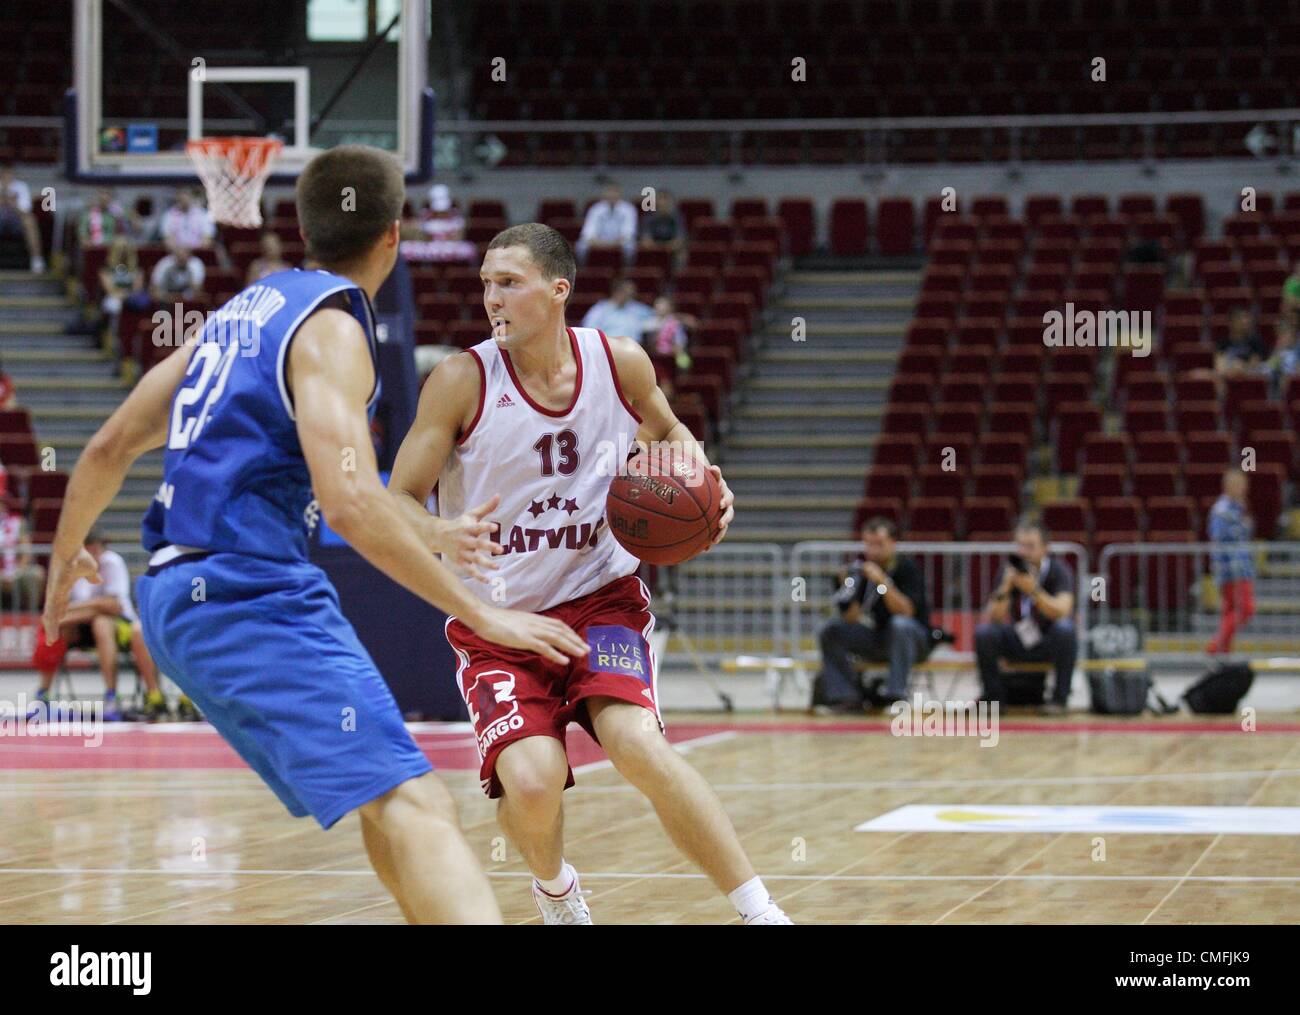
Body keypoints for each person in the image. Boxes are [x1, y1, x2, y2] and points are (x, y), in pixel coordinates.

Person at [41, 145, 591, 924]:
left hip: (175, 590)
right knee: (421, 802)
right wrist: (483, 612)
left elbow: (106, 448)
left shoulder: (245, 310)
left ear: (302, 228)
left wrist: (65, 561)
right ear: (393, 236)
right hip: (244, 587)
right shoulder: (334, 331)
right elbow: (349, 504)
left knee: (383, 794)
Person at [387, 222, 792, 926]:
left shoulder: (621, 363)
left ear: (557, 291)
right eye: (485, 283)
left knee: (637, 741)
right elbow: (394, 500)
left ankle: (760, 911)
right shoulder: (459, 380)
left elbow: (669, 432)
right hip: (499, 621)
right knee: (534, 782)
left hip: (599, 600)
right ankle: (555, 889)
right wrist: (437, 530)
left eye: (508, 282)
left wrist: (701, 477)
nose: (492, 297)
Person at [31, 531, 167, 722]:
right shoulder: (72, 567)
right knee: (54, 626)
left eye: (97, 548)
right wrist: (69, 613)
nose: (94, 552)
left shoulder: (111, 562)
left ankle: (112, 695)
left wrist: (74, 609)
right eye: (89, 548)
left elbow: (112, 606)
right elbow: (60, 607)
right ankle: (43, 694)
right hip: (83, 625)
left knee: (101, 623)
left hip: (118, 624)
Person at [816, 517, 930, 712]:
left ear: (893, 543)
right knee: (831, 630)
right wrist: (846, 588)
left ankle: (895, 697)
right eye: (869, 544)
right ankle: (845, 697)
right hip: (879, 637)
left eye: (879, 544)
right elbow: (852, 618)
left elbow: (906, 611)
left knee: (900, 624)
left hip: (912, 640)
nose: (873, 550)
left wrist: (882, 581)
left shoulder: (906, 568)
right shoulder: (861, 572)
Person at [974, 520, 1078, 714]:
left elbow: (1062, 610)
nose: (1024, 552)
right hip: (1019, 637)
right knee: (985, 632)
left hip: (1048, 639)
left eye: (1030, 546)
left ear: (1046, 548)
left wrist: (1034, 591)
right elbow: (994, 616)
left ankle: (1059, 700)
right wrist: (1005, 587)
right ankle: (993, 699)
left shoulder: (1059, 571)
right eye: (1020, 546)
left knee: (1066, 629)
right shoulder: (1009, 572)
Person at [1206, 469, 1255, 654]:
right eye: (1239, 485)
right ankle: (1216, 644)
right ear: (1228, 486)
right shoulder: (1223, 510)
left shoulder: (1237, 507)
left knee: (1230, 611)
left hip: (1240, 567)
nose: (1243, 489)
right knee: (1246, 609)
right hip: (1233, 570)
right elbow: (1219, 539)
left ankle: (1223, 653)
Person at [0, 495, 43, 612]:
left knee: (36, 574)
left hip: (16, 569)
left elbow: (26, 550)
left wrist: (17, 571)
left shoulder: (18, 522)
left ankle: (30, 617)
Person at [0, 162, 45, 273]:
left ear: (13, 174)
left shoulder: (21, 186)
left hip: (17, 221)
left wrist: (12, 204)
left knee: (30, 220)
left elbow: (25, 210)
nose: (6, 176)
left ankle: (36, 259)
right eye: (4, 174)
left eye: (9, 174)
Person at [575, 184, 637, 265]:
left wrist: (612, 244)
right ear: (604, 194)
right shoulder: (595, 209)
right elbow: (588, 234)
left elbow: (628, 235)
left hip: (619, 242)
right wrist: (601, 244)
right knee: (581, 245)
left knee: (630, 246)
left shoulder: (629, 209)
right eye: (609, 192)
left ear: (619, 194)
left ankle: (626, 272)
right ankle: (585, 271)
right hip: (598, 242)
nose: (612, 195)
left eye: (614, 192)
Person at [581, 277, 655, 337]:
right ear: (616, 292)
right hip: (608, 350)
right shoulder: (599, 310)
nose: (630, 296)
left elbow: (657, 317)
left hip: (634, 350)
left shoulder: (636, 308)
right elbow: (588, 331)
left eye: (631, 294)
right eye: (626, 293)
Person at [1215, 308, 1267, 378]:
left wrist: (1240, 367)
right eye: (1241, 319)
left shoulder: (1255, 342)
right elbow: (1220, 368)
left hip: (1249, 381)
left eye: (1247, 319)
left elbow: (1255, 366)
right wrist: (1234, 368)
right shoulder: (1223, 343)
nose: (1246, 322)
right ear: (1232, 322)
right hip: (1228, 378)